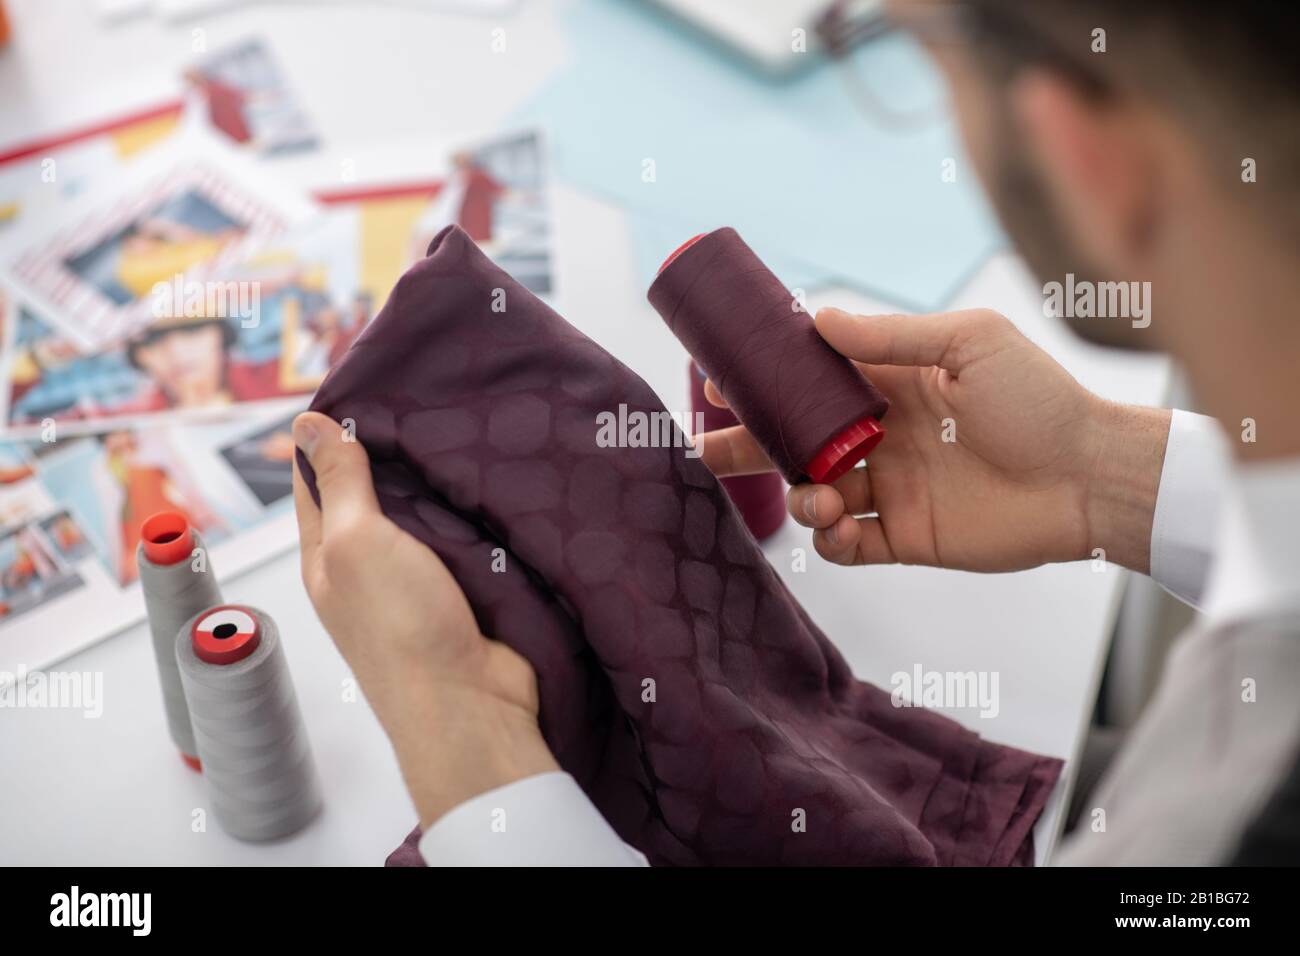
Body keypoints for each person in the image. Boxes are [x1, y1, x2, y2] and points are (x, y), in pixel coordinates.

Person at [290, 0, 1300, 865]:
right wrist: (1104, 475)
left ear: (1089, 159)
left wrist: (467, 750)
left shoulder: (1224, 826)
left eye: (912, 51)